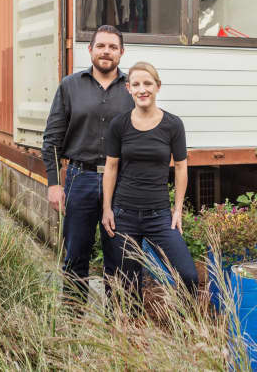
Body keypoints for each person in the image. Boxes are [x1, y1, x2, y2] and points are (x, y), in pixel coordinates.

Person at [42, 25, 134, 302]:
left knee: (119, 255)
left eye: (113, 47)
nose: (106, 52)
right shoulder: (70, 85)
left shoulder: (133, 87)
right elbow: (53, 139)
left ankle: (117, 321)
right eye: (101, 46)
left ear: (121, 52)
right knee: (76, 253)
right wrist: (55, 184)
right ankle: (73, 315)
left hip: (121, 182)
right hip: (80, 179)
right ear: (90, 49)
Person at [101, 61, 199, 299]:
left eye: (147, 83)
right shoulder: (119, 125)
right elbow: (111, 167)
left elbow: (181, 167)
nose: (142, 89)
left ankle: (185, 325)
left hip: (159, 216)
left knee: (188, 276)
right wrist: (107, 209)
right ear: (129, 89)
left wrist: (177, 210)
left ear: (158, 87)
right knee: (128, 283)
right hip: (124, 214)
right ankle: (132, 330)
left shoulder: (173, 125)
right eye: (136, 84)